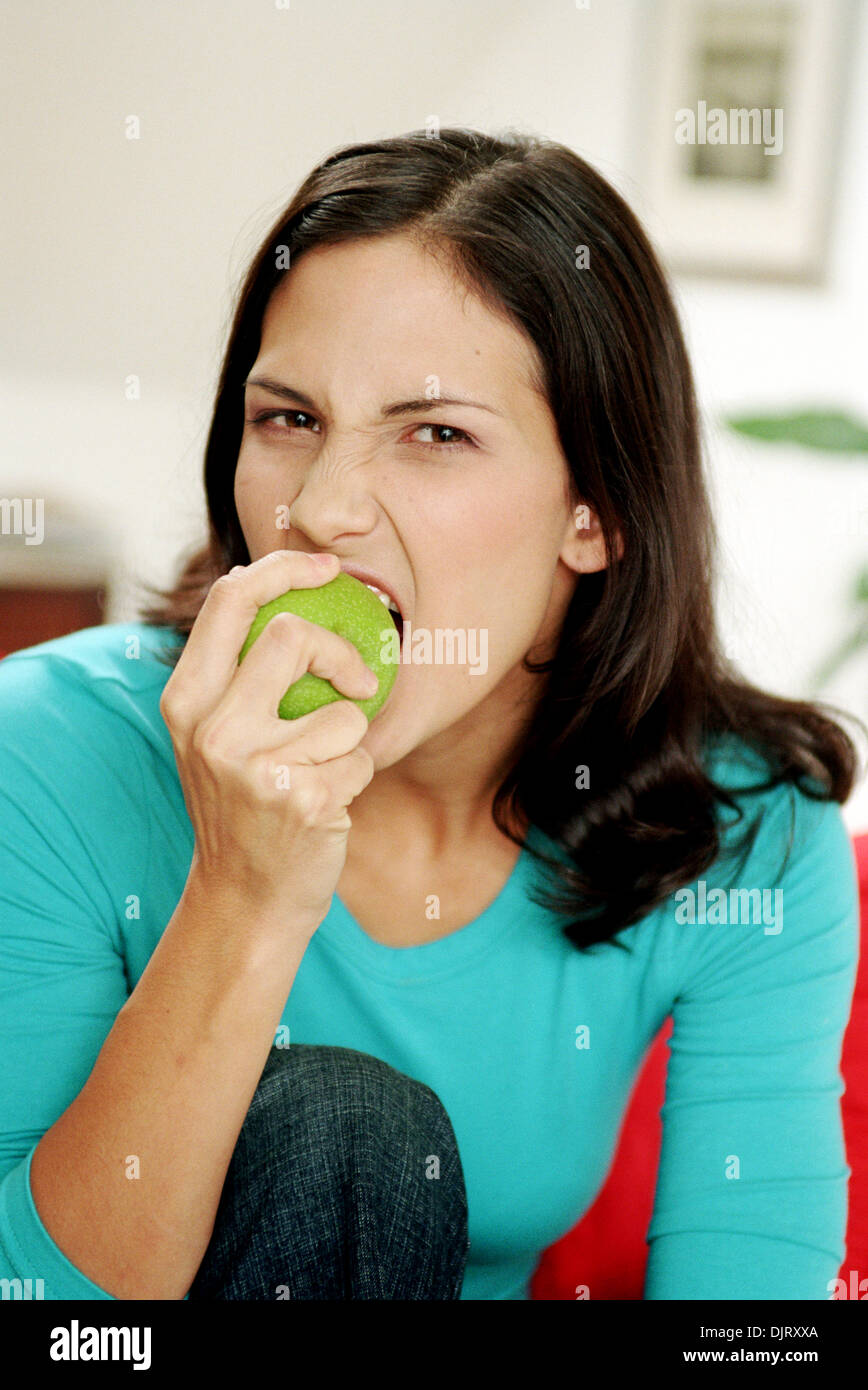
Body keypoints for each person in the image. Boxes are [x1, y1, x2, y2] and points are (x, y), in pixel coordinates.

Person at [0, 128, 862, 1302]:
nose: (320, 508)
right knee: (339, 1125)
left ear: (596, 512)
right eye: (288, 418)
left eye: (436, 432)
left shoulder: (746, 826)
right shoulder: (54, 746)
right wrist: (241, 900)